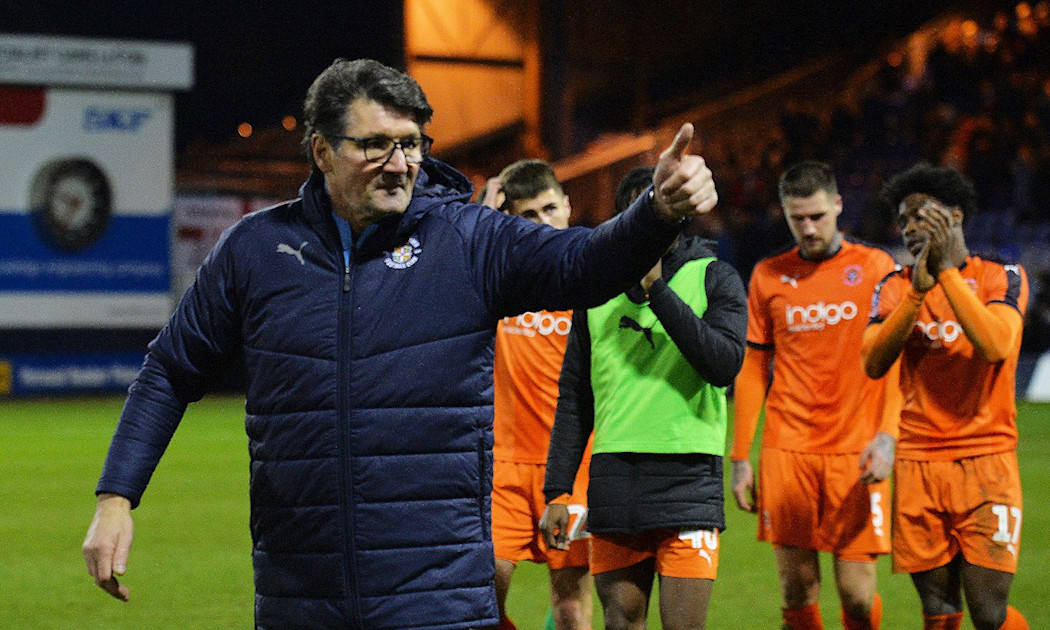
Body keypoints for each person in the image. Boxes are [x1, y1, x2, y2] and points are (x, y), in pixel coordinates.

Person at [79, 58, 719, 630]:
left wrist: (657, 212)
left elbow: (589, 263)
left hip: (437, 599)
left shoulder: (470, 240)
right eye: (376, 145)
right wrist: (116, 498)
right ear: (323, 151)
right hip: (299, 599)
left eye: (411, 144)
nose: (400, 163)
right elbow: (168, 369)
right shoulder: (255, 250)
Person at [540, 167, 747, 630]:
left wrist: (657, 290)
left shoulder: (716, 277)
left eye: (660, 212)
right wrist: (557, 488)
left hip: (689, 481)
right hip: (616, 482)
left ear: (680, 216)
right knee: (620, 622)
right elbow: (575, 397)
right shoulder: (594, 294)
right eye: (640, 216)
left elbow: (723, 365)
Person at [729, 160, 900, 630]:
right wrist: (741, 455)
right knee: (797, 590)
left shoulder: (875, 267)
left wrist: (887, 436)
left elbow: (895, 362)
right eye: (797, 218)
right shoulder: (768, 275)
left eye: (818, 216)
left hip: (855, 448)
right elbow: (752, 367)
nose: (808, 228)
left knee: (859, 597)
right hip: (789, 450)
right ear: (784, 213)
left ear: (839, 206)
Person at [863, 163, 1030, 630]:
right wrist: (917, 294)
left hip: (987, 461)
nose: (910, 228)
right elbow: (872, 363)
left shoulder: (1002, 276)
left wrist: (945, 275)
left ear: (955, 215)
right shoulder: (895, 287)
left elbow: (996, 344)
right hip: (918, 465)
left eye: (921, 215)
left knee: (989, 613)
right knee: (938, 610)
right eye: (902, 220)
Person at [487, 159, 593, 630]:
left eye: (551, 208)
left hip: (573, 466)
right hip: (502, 464)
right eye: (528, 215)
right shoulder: (492, 278)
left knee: (570, 603)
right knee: (484, 591)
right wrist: (483, 215)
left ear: (568, 206)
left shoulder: (595, 279)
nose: (544, 223)